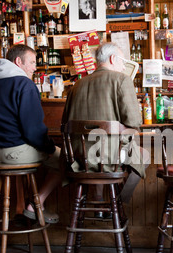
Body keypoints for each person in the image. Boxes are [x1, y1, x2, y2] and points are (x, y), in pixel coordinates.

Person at [0, 44, 62, 224]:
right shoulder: (24, 84)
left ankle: (21, 207)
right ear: (18, 61)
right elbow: (33, 132)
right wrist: (49, 147)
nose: (34, 67)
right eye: (31, 62)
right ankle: (36, 205)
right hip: (15, 154)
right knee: (65, 158)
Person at [62, 42, 147, 217]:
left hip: (79, 158)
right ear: (113, 58)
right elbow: (134, 122)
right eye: (123, 61)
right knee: (143, 156)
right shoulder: (122, 80)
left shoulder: (76, 86)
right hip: (110, 157)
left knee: (98, 151)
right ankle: (116, 204)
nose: (124, 66)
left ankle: (99, 202)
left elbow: (64, 124)